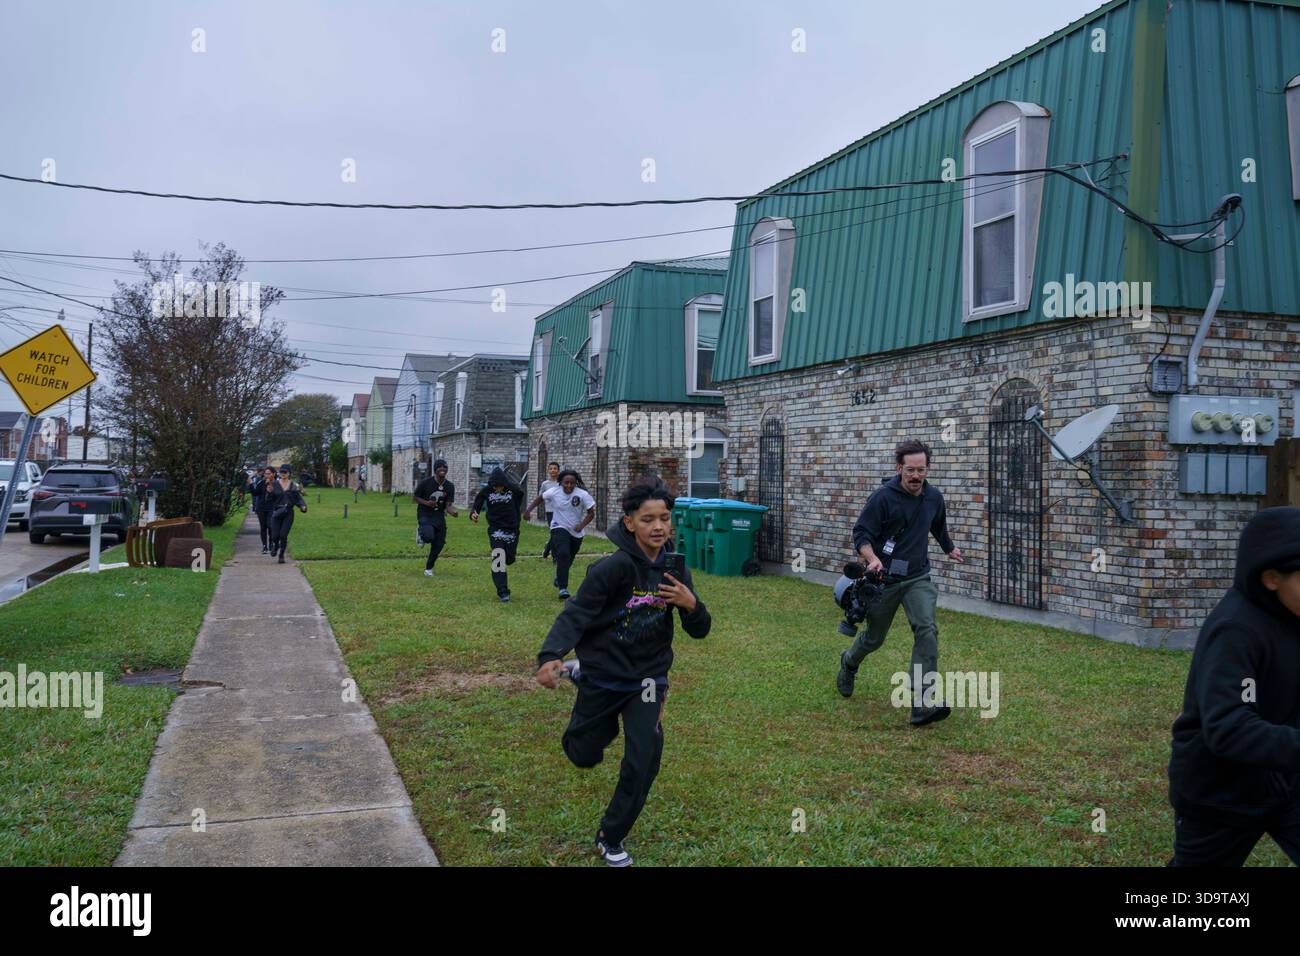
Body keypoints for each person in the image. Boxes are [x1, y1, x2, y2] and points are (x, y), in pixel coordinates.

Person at [535, 477, 711, 866]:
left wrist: (691, 603)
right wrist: (550, 654)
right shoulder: (611, 568)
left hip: (648, 679)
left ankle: (610, 836)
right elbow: (577, 613)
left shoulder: (675, 569)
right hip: (603, 674)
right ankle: (577, 673)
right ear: (630, 523)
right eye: (648, 519)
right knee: (583, 754)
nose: (659, 527)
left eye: (665, 518)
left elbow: (700, 631)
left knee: (644, 757)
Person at [1167, 505, 1300, 866]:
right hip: (1220, 795)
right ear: (1271, 578)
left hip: (1286, 781)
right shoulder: (1236, 631)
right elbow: (1229, 729)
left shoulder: (1295, 610)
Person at [837, 439, 963, 727]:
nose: (916, 476)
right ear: (899, 469)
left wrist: (949, 548)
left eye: (921, 470)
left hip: (918, 576)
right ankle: (849, 661)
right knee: (874, 638)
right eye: (910, 470)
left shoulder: (933, 497)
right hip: (885, 579)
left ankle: (922, 703)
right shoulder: (883, 497)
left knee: (927, 629)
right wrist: (871, 559)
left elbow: (938, 525)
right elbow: (861, 534)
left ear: (927, 469)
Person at [526, 469, 595, 600]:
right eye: (566, 483)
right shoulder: (554, 491)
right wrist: (528, 511)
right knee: (563, 554)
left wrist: (581, 525)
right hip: (558, 526)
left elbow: (591, 513)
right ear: (561, 482)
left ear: (576, 483)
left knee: (569, 558)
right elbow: (540, 498)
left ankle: (560, 576)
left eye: (572, 483)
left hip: (576, 531)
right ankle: (563, 588)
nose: (569, 485)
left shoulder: (582, 494)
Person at [470, 466, 526, 602]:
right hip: (495, 529)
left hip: (512, 529)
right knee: (498, 556)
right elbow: (477, 504)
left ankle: (508, 559)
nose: (497, 489)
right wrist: (474, 514)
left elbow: (520, 496)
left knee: (509, 559)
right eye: (495, 487)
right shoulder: (487, 491)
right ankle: (503, 591)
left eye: (500, 486)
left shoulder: (513, 489)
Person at [413, 458, 459, 576]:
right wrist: (427, 503)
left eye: (445, 467)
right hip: (425, 514)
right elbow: (415, 497)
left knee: (439, 543)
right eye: (440, 467)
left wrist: (452, 512)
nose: (442, 469)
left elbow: (448, 506)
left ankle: (428, 569)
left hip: (438, 516)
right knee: (428, 536)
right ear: (435, 470)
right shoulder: (425, 483)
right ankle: (421, 533)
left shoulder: (449, 486)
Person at [266, 464, 308, 564]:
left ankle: (281, 555)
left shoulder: (293, 485)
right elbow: (268, 500)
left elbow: (298, 498)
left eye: (285, 472)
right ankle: (276, 546)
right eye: (281, 472)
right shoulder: (274, 484)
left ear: (289, 473)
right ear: (279, 473)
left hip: (288, 513)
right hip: (277, 513)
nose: (283, 474)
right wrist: (269, 493)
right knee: (275, 536)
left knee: (283, 535)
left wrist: (302, 506)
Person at [250, 465, 275, 554]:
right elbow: (255, 493)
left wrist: (271, 489)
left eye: (269, 474)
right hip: (261, 508)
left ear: (273, 474)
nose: (266, 475)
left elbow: (278, 496)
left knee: (270, 526)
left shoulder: (277, 484)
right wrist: (250, 484)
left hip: (271, 508)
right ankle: (264, 546)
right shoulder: (261, 482)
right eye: (265, 474)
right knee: (263, 527)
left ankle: (272, 544)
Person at [539, 461, 561, 561]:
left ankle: (547, 550)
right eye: (551, 468)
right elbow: (541, 496)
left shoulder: (562, 483)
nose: (553, 470)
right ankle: (555, 557)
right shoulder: (545, 484)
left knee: (557, 533)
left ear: (558, 470)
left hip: (561, 512)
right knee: (554, 533)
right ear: (548, 470)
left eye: (555, 468)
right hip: (550, 511)